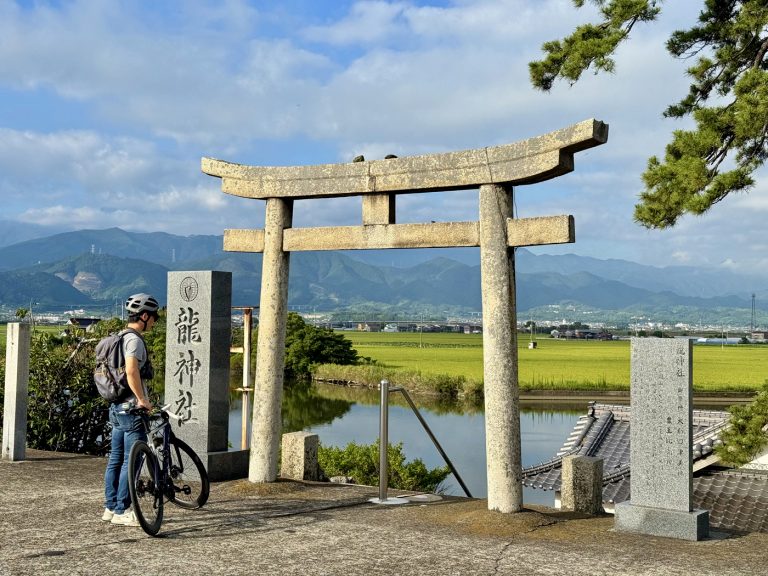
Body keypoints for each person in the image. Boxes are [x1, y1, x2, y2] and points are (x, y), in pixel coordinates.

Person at [102, 293, 158, 527]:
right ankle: (122, 510)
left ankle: (110, 506)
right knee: (130, 461)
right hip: (130, 408)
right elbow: (132, 371)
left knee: (116, 458)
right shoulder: (134, 340)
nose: (155, 321)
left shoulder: (118, 336)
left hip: (116, 406)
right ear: (144, 316)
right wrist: (142, 399)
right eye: (154, 317)